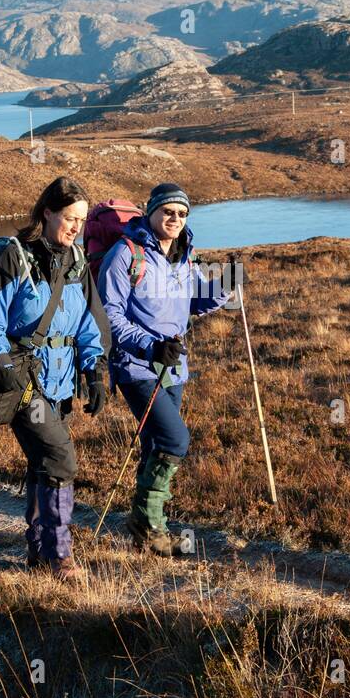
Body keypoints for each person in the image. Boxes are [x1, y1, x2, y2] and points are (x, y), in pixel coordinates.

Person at [0, 176, 110, 581]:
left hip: (62, 383)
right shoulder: (16, 258)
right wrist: (10, 370)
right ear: (47, 213)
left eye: (81, 220)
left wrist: (94, 372)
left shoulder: (78, 262)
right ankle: (59, 556)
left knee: (42, 464)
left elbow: (89, 324)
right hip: (25, 380)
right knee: (61, 459)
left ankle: (38, 551)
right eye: (69, 218)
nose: (75, 227)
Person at [98, 182, 240, 555]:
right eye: (168, 212)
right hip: (137, 366)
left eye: (182, 213)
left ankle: (144, 530)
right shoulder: (125, 255)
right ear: (151, 213)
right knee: (175, 439)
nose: (175, 219)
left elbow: (195, 301)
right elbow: (108, 315)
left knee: (154, 444)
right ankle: (151, 525)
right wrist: (149, 345)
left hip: (174, 367)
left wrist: (225, 284)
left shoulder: (183, 256)